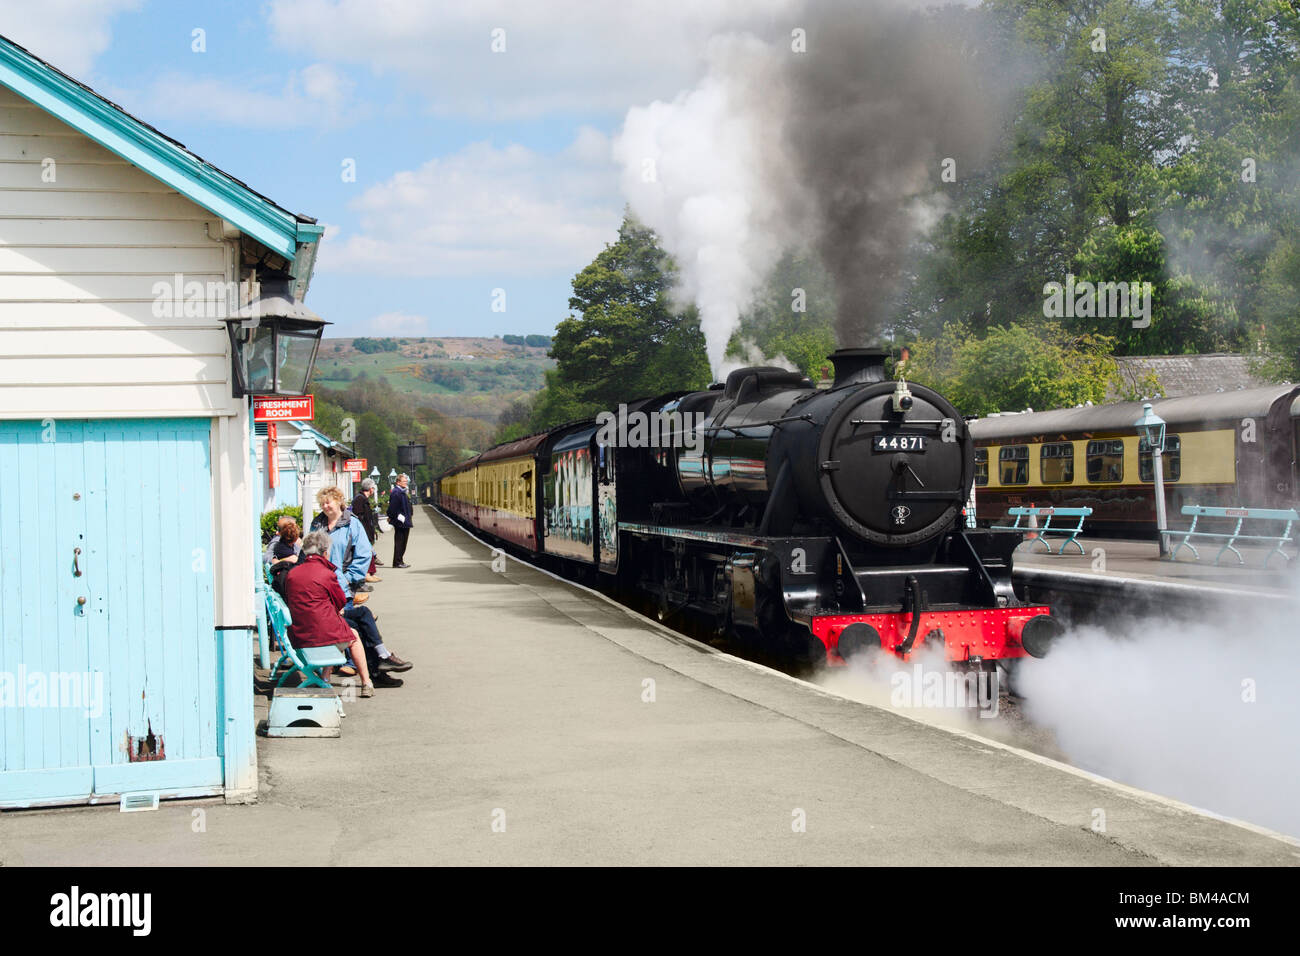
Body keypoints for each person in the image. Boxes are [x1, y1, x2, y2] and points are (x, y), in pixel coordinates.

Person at [310, 485, 412, 680]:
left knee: (352, 624)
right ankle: (376, 665)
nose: (324, 506)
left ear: (338, 501)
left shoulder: (352, 524)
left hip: (342, 587)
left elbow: (364, 554)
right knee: (353, 625)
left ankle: (372, 666)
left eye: (328, 502)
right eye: (322, 503)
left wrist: (348, 578)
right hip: (321, 587)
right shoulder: (317, 525)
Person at [284, 531, 376, 696]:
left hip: (299, 637)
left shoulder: (292, 574)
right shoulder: (326, 574)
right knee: (351, 636)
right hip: (322, 638)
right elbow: (341, 601)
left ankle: (324, 679)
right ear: (325, 552)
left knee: (333, 629)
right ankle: (366, 682)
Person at [351, 479, 383, 582]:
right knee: (366, 552)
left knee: (369, 552)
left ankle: (370, 572)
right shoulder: (360, 499)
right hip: (363, 531)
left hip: (367, 530)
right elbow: (360, 517)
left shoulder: (362, 498)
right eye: (373, 488)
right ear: (370, 489)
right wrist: (364, 531)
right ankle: (367, 573)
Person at [387, 473, 414, 568]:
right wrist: (397, 516)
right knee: (400, 542)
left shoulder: (402, 492)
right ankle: (397, 562)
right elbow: (392, 508)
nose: (406, 482)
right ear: (398, 482)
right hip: (400, 522)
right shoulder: (396, 492)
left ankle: (400, 560)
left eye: (406, 481)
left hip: (404, 521)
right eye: (404, 481)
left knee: (403, 542)